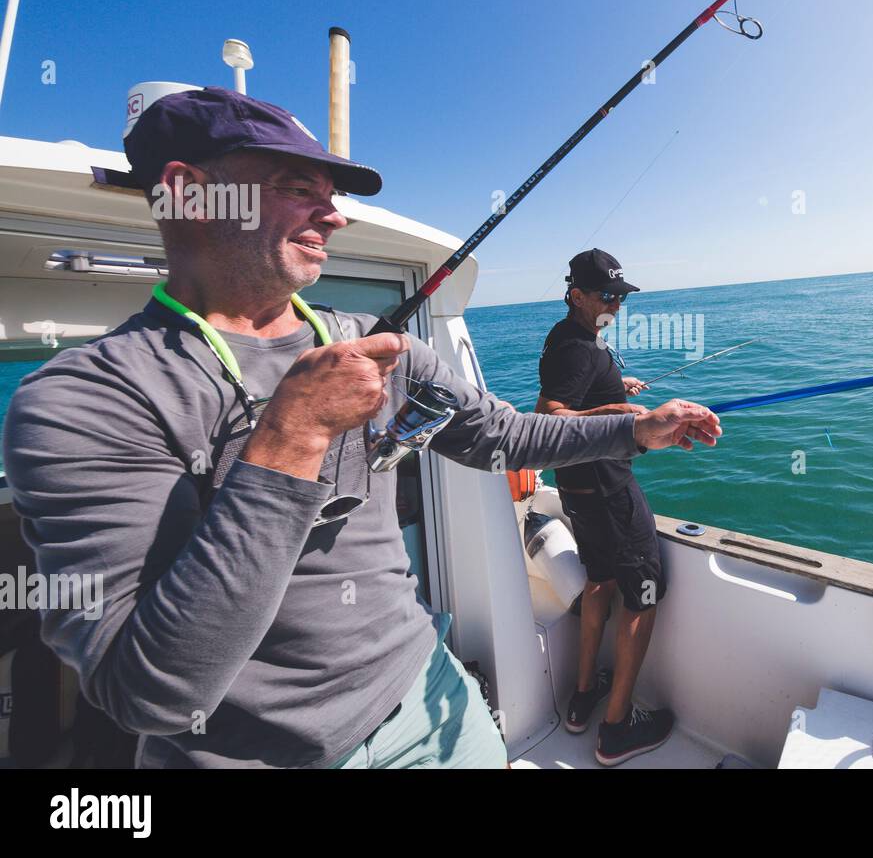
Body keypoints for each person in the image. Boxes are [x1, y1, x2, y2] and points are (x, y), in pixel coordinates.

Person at [0, 87, 721, 769]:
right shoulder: (81, 400)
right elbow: (148, 693)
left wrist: (639, 431)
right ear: (189, 193)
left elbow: (504, 436)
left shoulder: (376, 345)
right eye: (297, 189)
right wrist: (291, 436)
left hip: (431, 700)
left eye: (332, 196)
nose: (334, 216)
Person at [535, 249, 673, 766]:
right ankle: (615, 729)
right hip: (609, 489)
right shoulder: (582, 349)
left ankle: (584, 693)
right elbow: (548, 414)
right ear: (576, 295)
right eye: (605, 295)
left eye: (620, 295)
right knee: (644, 593)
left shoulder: (567, 337)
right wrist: (620, 408)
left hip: (578, 489)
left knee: (599, 580)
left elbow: (572, 393)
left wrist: (617, 388)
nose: (615, 303)